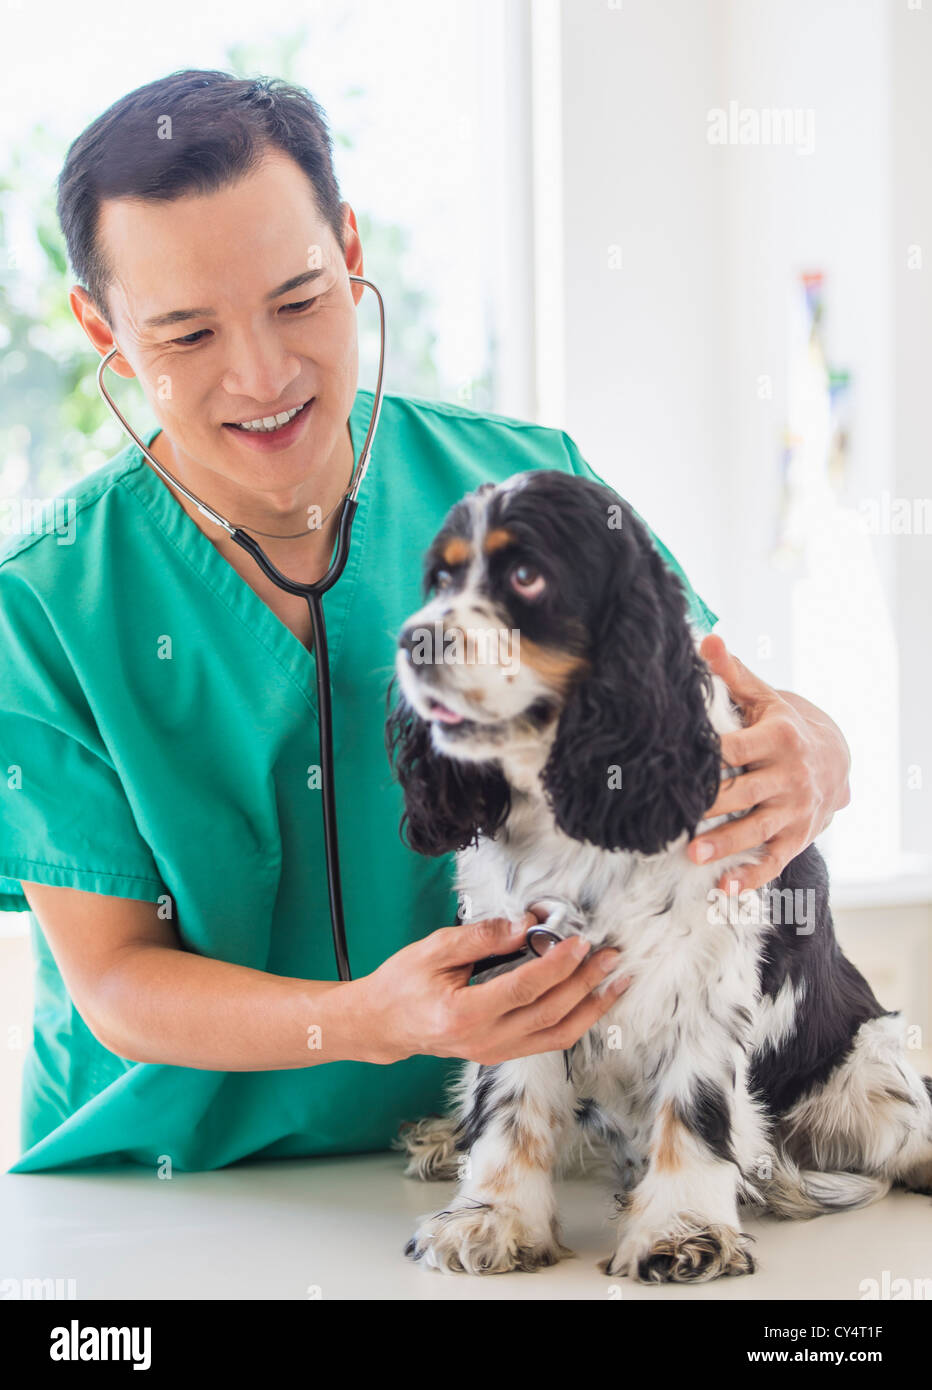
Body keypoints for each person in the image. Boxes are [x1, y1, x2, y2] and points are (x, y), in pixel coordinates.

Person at [0, 70, 851, 1175]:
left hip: (512, 1154)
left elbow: (705, 718)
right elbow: (113, 978)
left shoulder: (519, 486)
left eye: (298, 300)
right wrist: (369, 1019)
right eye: (186, 335)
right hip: (164, 1183)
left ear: (350, 251)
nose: (261, 375)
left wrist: (819, 749)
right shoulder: (47, 599)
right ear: (100, 329)